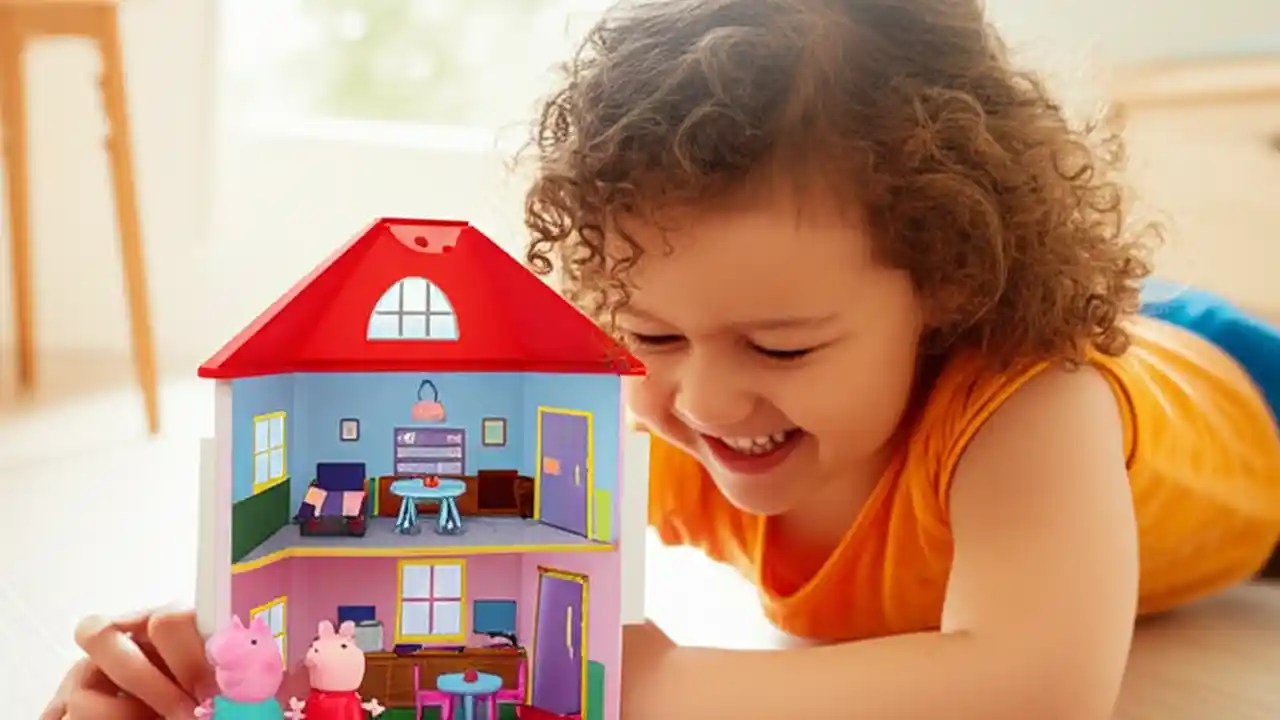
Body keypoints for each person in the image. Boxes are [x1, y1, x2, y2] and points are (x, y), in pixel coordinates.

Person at [42, 1, 1280, 718]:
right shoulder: (654, 421)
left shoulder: (1030, 398)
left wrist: (660, 679)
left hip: (1230, 388)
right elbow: (433, 539)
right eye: (647, 337)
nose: (699, 397)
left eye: (781, 345)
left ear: (949, 283)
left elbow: (1032, 687)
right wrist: (218, 645)